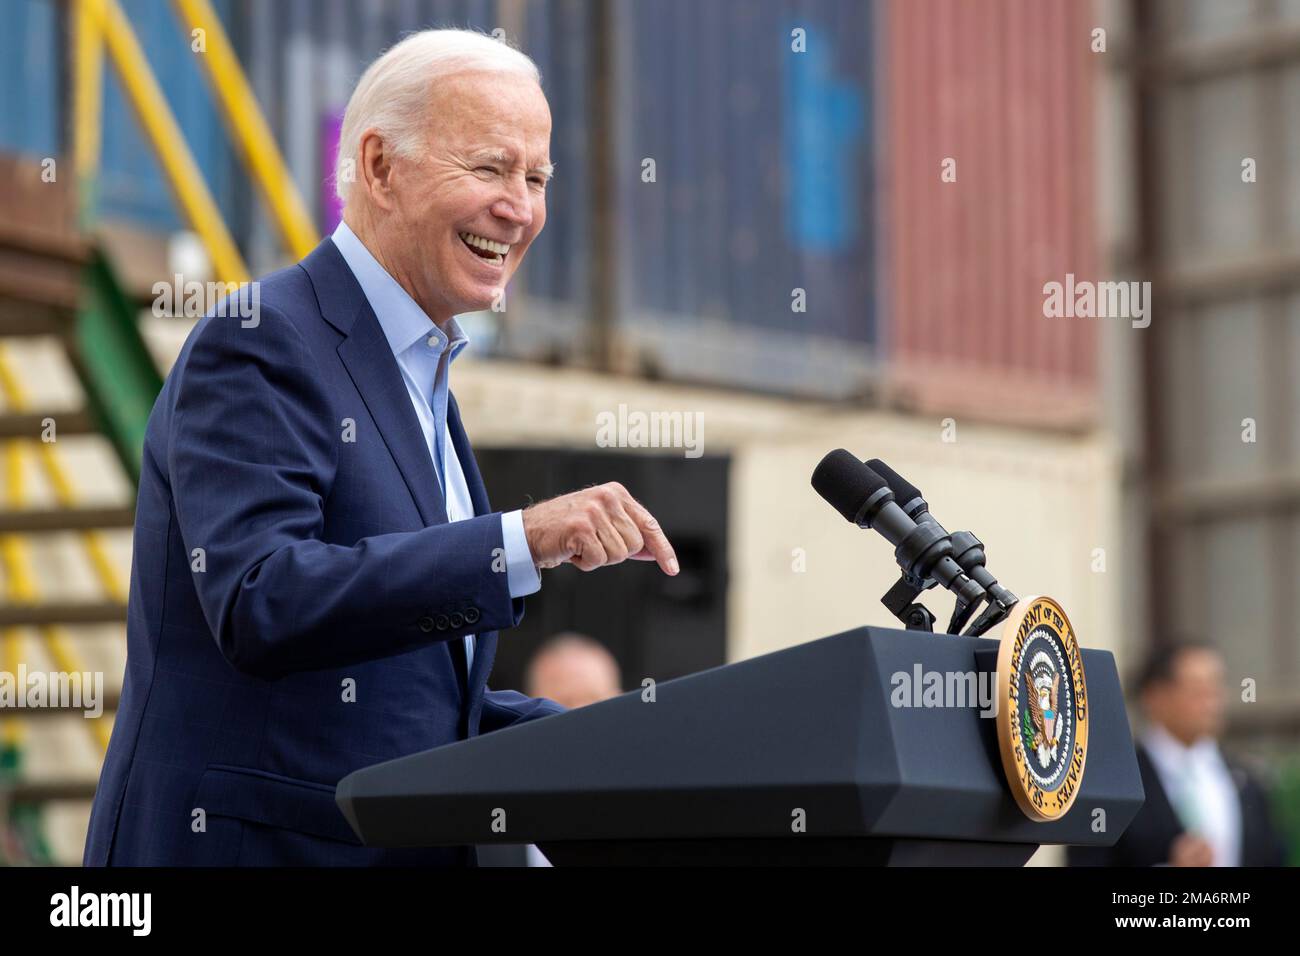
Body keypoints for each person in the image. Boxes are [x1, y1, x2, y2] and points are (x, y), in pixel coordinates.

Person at [83, 28, 677, 867]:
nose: (520, 206)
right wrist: (521, 539)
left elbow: (410, 699)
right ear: (380, 167)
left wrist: (627, 742)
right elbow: (263, 600)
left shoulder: (419, 372)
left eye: (537, 178)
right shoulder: (261, 341)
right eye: (489, 168)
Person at [1069, 643, 1286, 867]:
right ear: (1155, 696)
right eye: (1197, 689)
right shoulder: (1111, 781)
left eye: (1216, 688)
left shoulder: (1247, 781)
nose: (1212, 702)